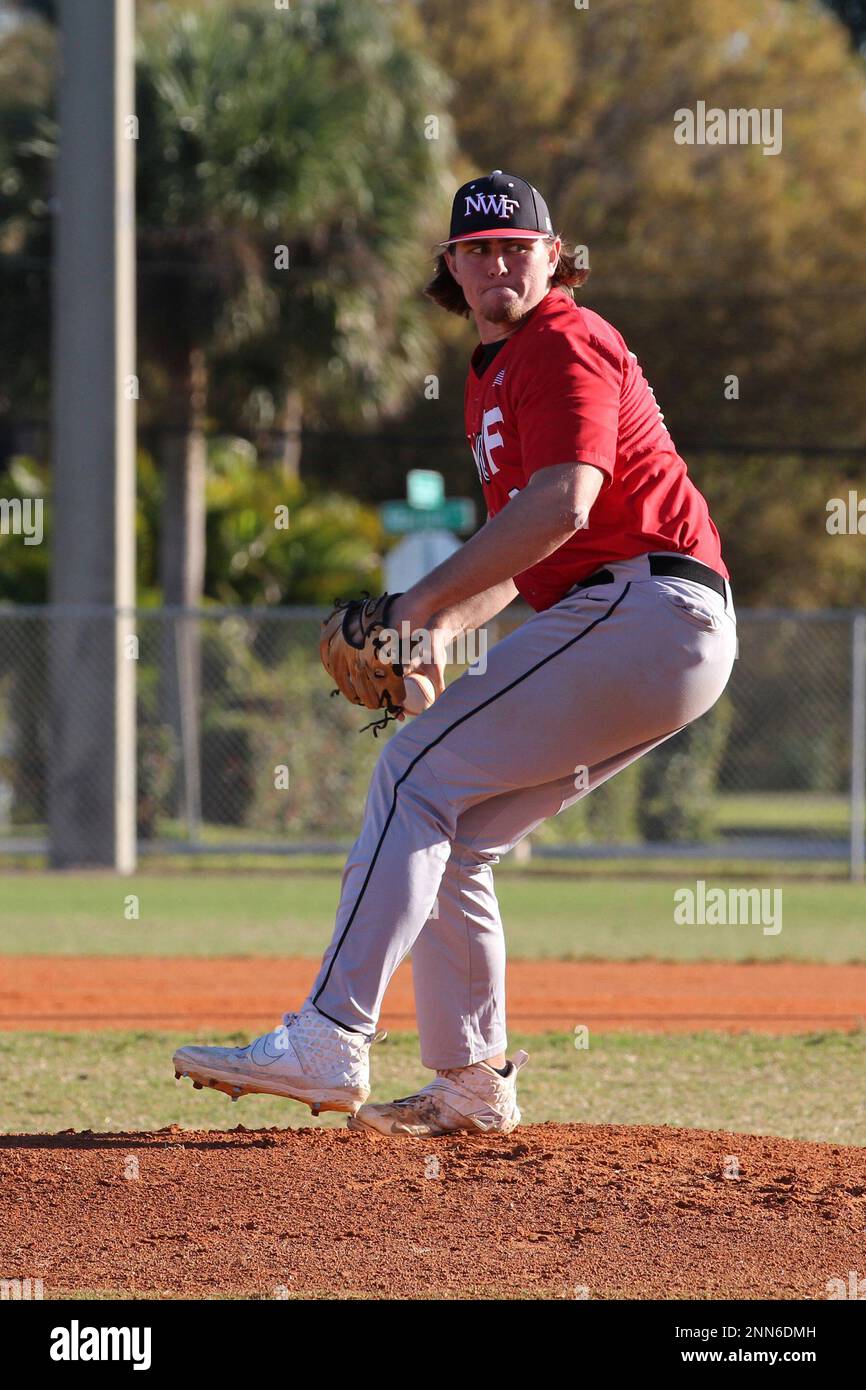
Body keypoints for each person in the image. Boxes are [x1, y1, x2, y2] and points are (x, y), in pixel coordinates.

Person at [173, 171, 737, 1137]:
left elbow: (566, 505)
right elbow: (526, 555)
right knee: (454, 826)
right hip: (644, 623)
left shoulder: (564, 340)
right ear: (451, 268)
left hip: (650, 608)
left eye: (518, 245)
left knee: (409, 774)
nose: (498, 262)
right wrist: (432, 629)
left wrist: (416, 600)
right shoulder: (493, 371)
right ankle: (472, 1083)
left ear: (556, 258)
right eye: (478, 249)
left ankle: (327, 1036)